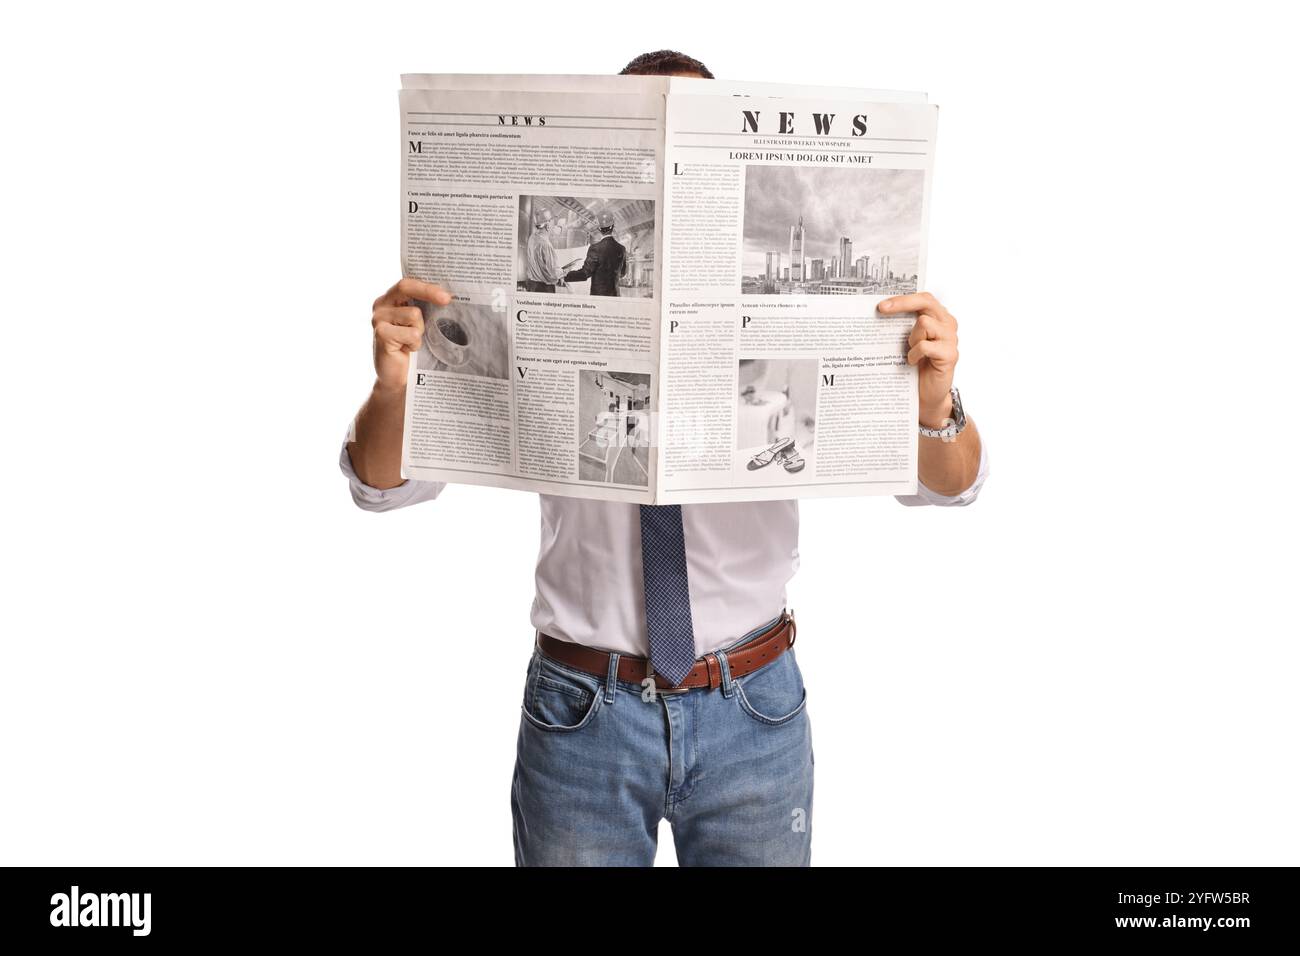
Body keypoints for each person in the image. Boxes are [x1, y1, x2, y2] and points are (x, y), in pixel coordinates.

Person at [343, 49, 988, 866]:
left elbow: (952, 489)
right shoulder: (549, 296)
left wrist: (935, 401)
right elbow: (380, 486)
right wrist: (398, 384)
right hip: (582, 714)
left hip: (755, 707)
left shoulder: (799, 311)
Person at [564, 210, 627, 295]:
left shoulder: (595, 248)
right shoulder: (622, 249)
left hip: (598, 295)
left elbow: (584, 274)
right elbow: (622, 273)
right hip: (615, 295)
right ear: (613, 226)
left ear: (599, 228)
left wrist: (564, 275)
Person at [522, 207, 563, 293]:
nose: (555, 225)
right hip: (544, 289)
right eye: (553, 222)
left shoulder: (532, 238)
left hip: (532, 285)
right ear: (547, 225)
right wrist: (563, 273)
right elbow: (553, 273)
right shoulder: (546, 244)